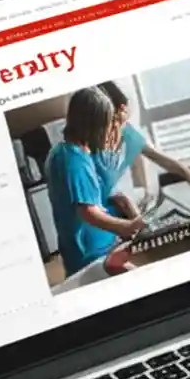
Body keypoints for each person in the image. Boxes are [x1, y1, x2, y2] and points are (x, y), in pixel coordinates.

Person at [45, 88, 145, 277]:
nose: (110, 131)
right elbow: (88, 212)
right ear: (93, 126)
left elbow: (91, 196)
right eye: (106, 125)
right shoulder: (74, 161)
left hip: (96, 248)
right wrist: (129, 227)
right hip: (91, 256)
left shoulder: (66, 152)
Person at [95, 81, 190, 222]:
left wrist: (187, 173)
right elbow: (110, 195)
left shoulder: (126, 132)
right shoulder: (88, 148)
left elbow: (157, 157)